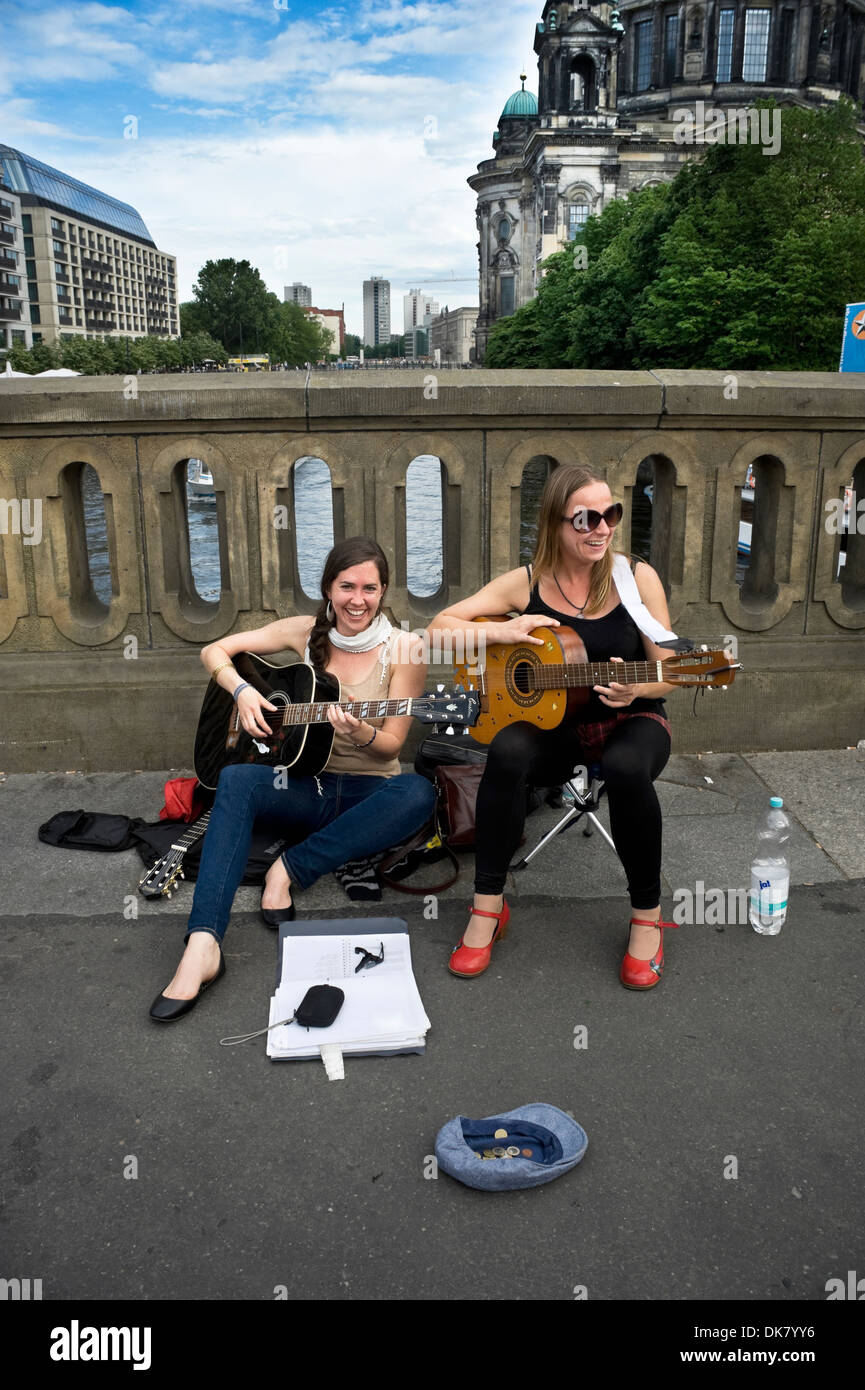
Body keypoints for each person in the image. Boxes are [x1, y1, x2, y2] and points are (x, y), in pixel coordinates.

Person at [149, 537, 436, 1021]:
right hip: (306, 785)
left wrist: (361, 731)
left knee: (418, 792)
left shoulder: (405, 649)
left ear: (383, 592)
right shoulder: (304, 633)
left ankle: (290, 869)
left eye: (369, 588)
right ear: (328, 587)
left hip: (368, 796)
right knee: (238, 780)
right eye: (346, 586)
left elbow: (391, 747)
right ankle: (202, 947)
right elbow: (214, 649)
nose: (357, 600)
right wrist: (241, 691)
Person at [427, 464, 680, 990]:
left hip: (630, 716)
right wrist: (506, 634)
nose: (601, 529)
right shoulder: (524, 583)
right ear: (555, 523)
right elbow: (439, 631)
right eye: (585, 518)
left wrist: (639, 688)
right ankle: (488, 908)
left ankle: (647, 918)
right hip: (557, 720)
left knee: (627, 765)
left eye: (610, 515)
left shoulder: (636, 577)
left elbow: (672, 669)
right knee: (507, 751)